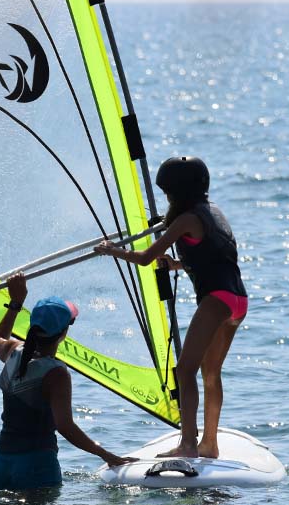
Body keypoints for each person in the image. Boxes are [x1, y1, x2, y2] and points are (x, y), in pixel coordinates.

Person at [95, 156, 247, 459]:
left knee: (185, 370)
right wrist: (178, 263)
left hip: (216, 299)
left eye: (167, 193)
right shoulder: (213, 212)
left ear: (177, 192)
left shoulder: (186, 219)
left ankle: (189, 444)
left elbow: (144, 258)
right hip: (238, 301)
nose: (165, 198)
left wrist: (112, 251)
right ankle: (209, 444)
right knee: (211, 373)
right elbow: (214, 257)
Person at [0, 272, 135, 490]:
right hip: (36, 465)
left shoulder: (12, 351)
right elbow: (65, 426)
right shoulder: (56, 374)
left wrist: (16, 303)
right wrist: (105, 454)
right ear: (63, 333)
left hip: (1, 462)